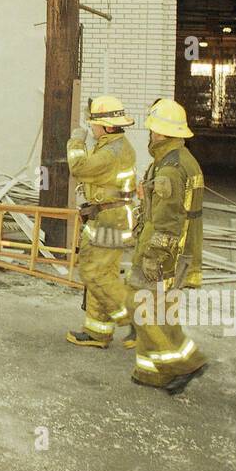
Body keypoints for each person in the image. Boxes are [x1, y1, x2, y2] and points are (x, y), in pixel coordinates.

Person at [128, 98, 208, 395]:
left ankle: (188, 363)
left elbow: (169, 220)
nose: (149, 134)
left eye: (152, 129)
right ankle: (152, 373)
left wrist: (154, 256)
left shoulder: (171, 169)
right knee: (161, 312)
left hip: (166, 254)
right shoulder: (179, 160)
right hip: (180, 251)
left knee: (144, 310)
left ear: (160, 132)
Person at [66, 95, 138, 349]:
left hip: (111, 220)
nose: (91, 128)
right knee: (100, 274)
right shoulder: (112, 144)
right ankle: (98, 331)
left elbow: (79, 167)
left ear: (108, 126)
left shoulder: (111, 152)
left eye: (94, 124)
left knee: (98, 275)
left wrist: (76, 140)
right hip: (104, 218)